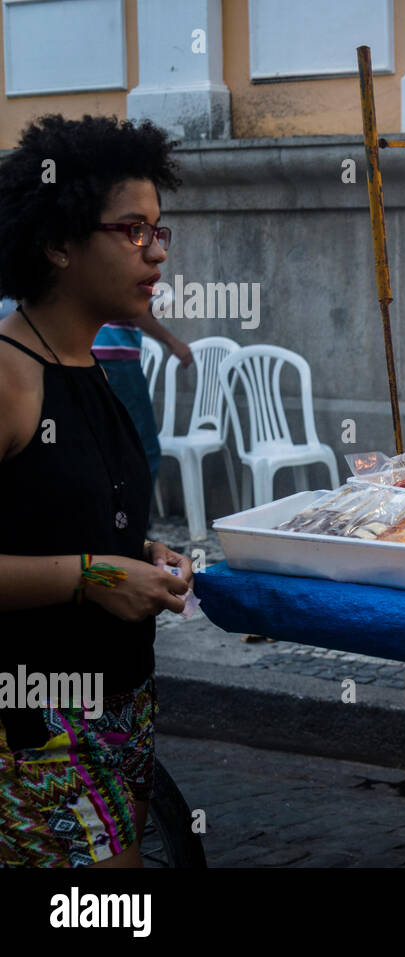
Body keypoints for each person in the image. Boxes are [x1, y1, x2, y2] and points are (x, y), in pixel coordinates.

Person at [0, 114, 194, 868]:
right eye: (132, 228)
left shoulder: (92, 364)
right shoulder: (12, 376)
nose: (156, 250)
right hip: (35, 716)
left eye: (159, 227)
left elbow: (56, 510)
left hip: (121, 704)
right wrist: (92, 576)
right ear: (59, 243)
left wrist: (137, 550)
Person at [93, 306, 193, 485]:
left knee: (104, 445)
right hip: (116, 356)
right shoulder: (118, 278)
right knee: (144, 449)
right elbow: (129, 306)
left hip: (90, 353)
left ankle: (111, 510)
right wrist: (172, 341)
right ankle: (131, 511)